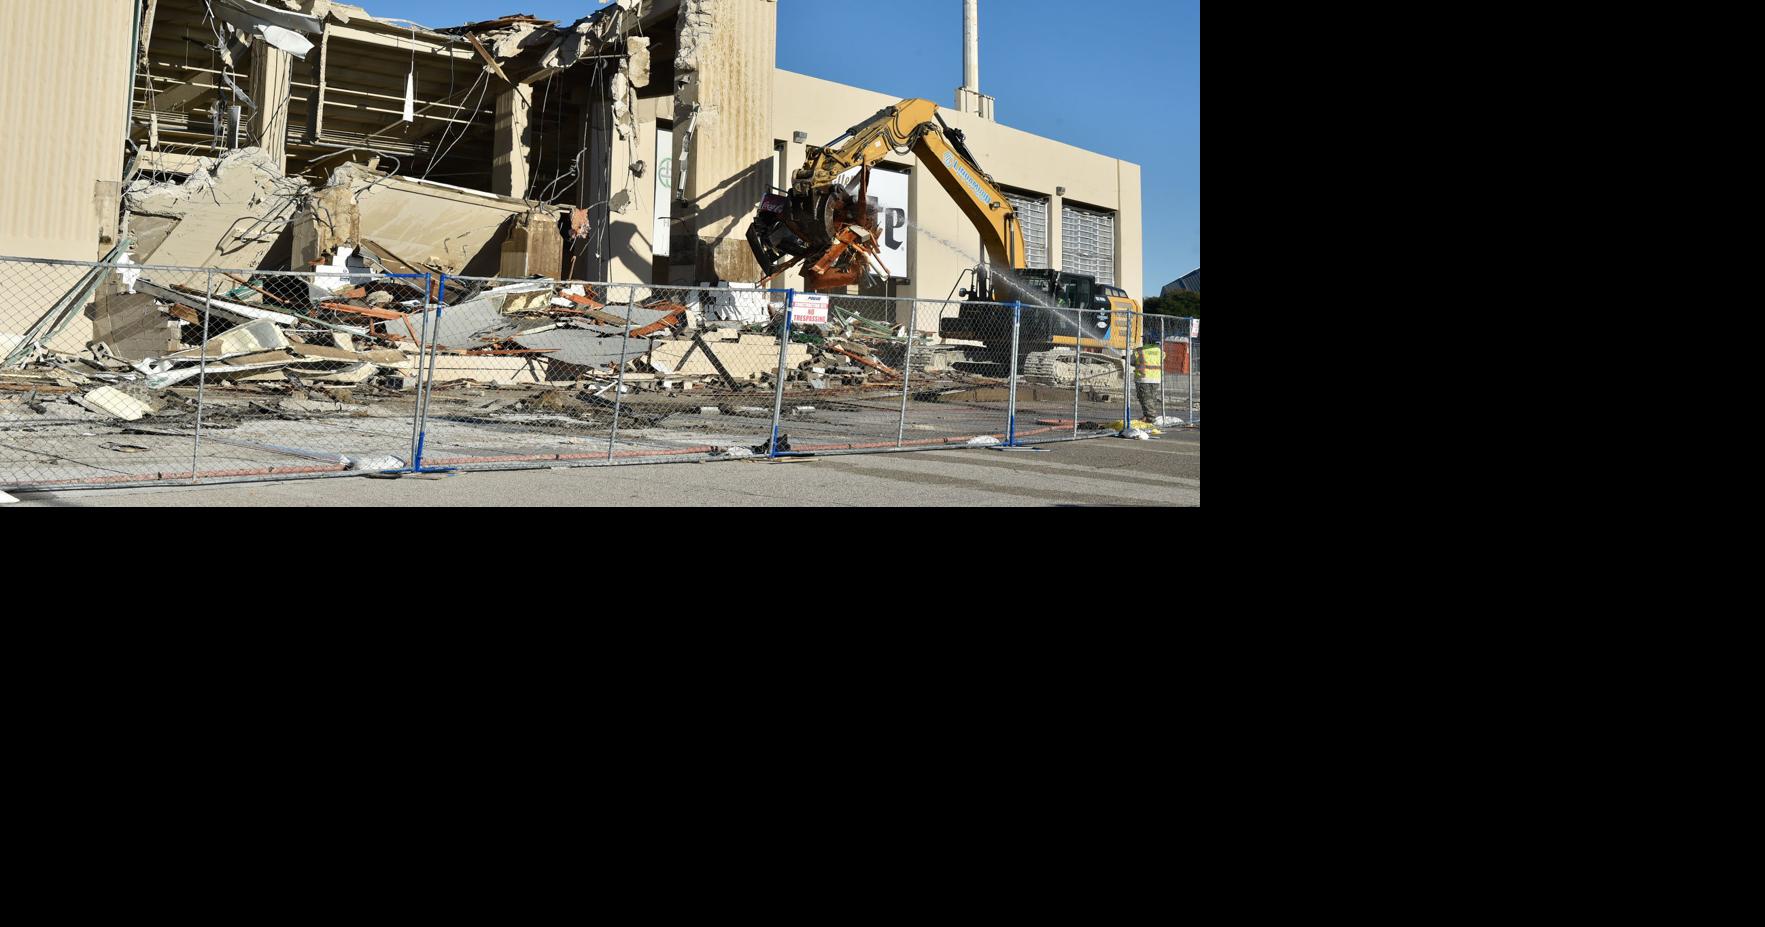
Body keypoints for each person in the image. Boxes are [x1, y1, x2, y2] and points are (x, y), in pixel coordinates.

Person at [1133, 340, 1163, 422]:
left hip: (1143, 378)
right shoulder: (1159, 350)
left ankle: (1150, 418)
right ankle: (1147, 415)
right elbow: (1161, 359)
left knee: (1145, 398)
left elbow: (1133, 361)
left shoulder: (1139, 351)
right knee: (1152, 398)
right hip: (1156, 378)